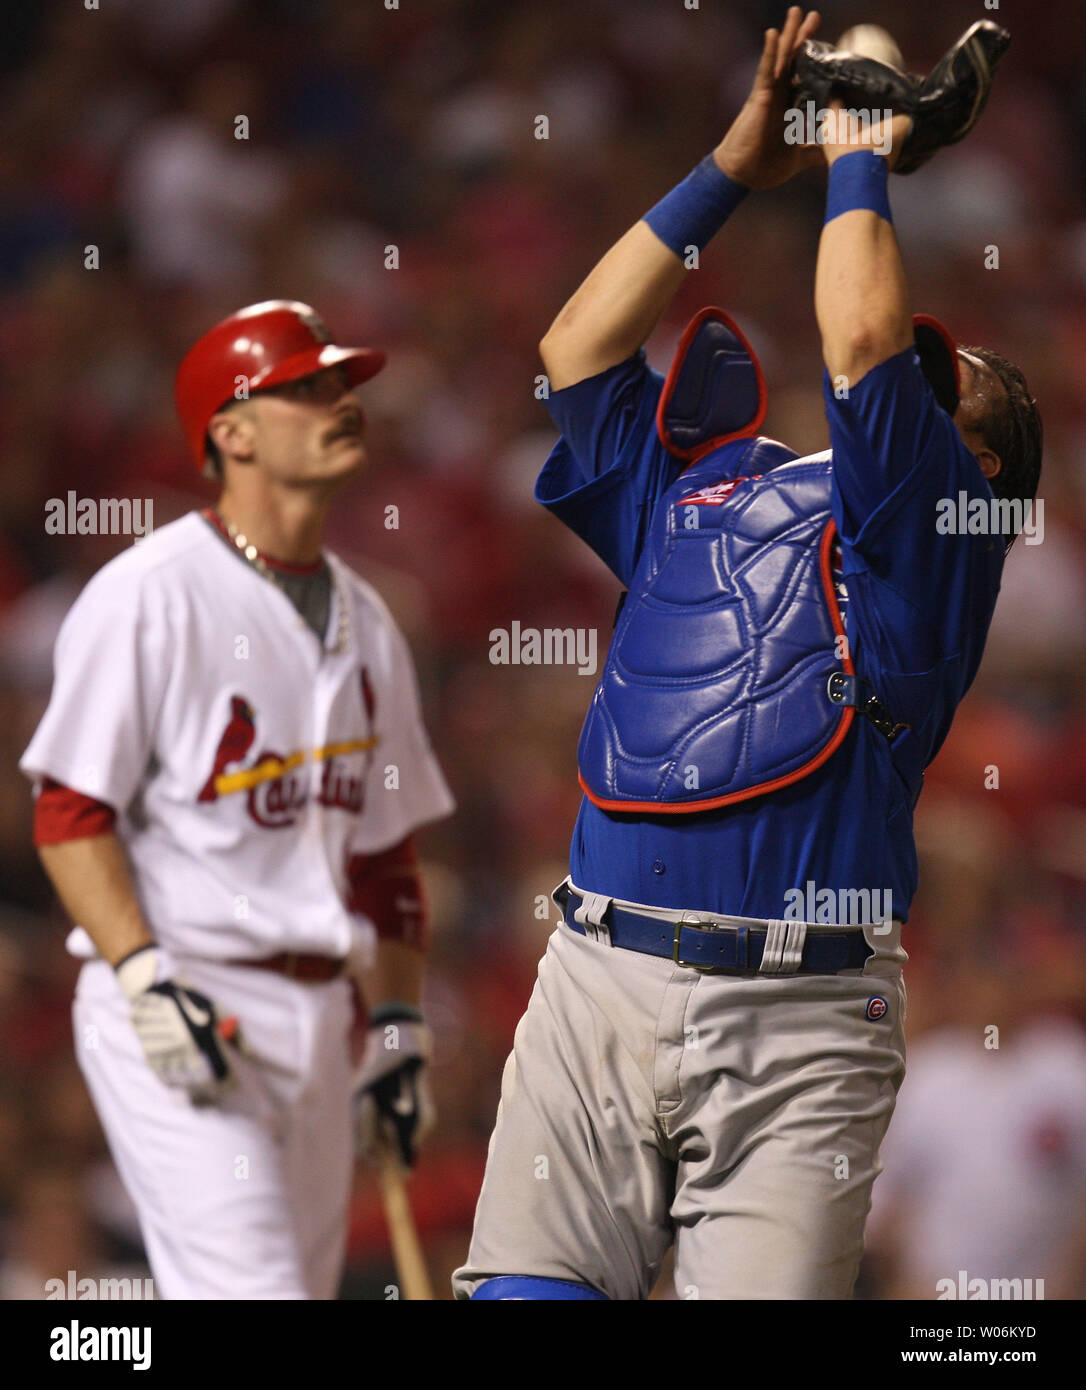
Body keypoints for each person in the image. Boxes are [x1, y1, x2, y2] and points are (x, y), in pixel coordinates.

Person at [454, 9, 1042, 1300]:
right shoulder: (714, 496)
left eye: (960, 396)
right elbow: (573, 357)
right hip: (593, 974)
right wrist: (729, 169)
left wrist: (856, 143)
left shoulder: (938, 538)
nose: (921, 401)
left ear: (981, 471)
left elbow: (859, 343)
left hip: (799, 1019)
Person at [21, 300, 455, 1300]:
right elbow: (69, 811)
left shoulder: (371, 615)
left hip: (317, 1018)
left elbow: (384, 861)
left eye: (340, 384)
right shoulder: (151, 593)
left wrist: (395, 1027)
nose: (341, 401)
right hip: (186, 994)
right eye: (307, 387)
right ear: (233, 430)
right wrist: (141, 975)